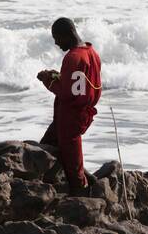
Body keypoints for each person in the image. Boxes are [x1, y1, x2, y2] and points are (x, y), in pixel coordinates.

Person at [36, 18, 102, 194]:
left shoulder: (73, 57)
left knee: (73, 166)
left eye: (57, 38)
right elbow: (78, 84)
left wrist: (47, 79)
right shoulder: (91, 52)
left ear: (68, 34)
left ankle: (82, 193)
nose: (56, 43)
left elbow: (68, 92)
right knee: (46, 148)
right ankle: (91, 181)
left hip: (71, 116)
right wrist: (58, 75)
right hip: (83, 112)